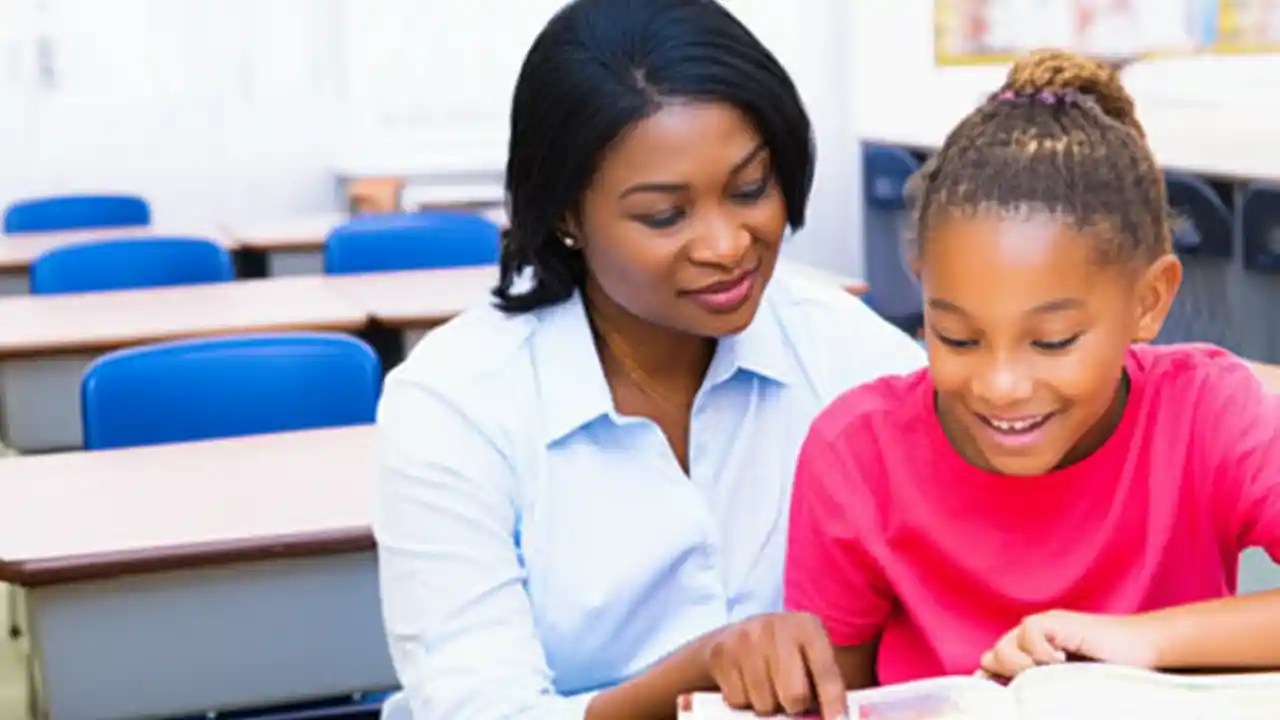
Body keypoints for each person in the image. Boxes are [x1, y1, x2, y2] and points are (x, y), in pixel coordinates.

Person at [373, 1, 924, 718]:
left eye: (750, 189)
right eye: (666, 215)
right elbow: (478, 709)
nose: (727, 244)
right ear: (568, 214)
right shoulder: (454, 401)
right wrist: (696, 675)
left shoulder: (848, 350)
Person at [784, 48, 1280, 692]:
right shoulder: (857, 455)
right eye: (957, 337)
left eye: (1052, 341)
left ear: (1149, 301)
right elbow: (831, 701)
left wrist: (1143, 640)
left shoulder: (1208, 413)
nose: (1000, 385)